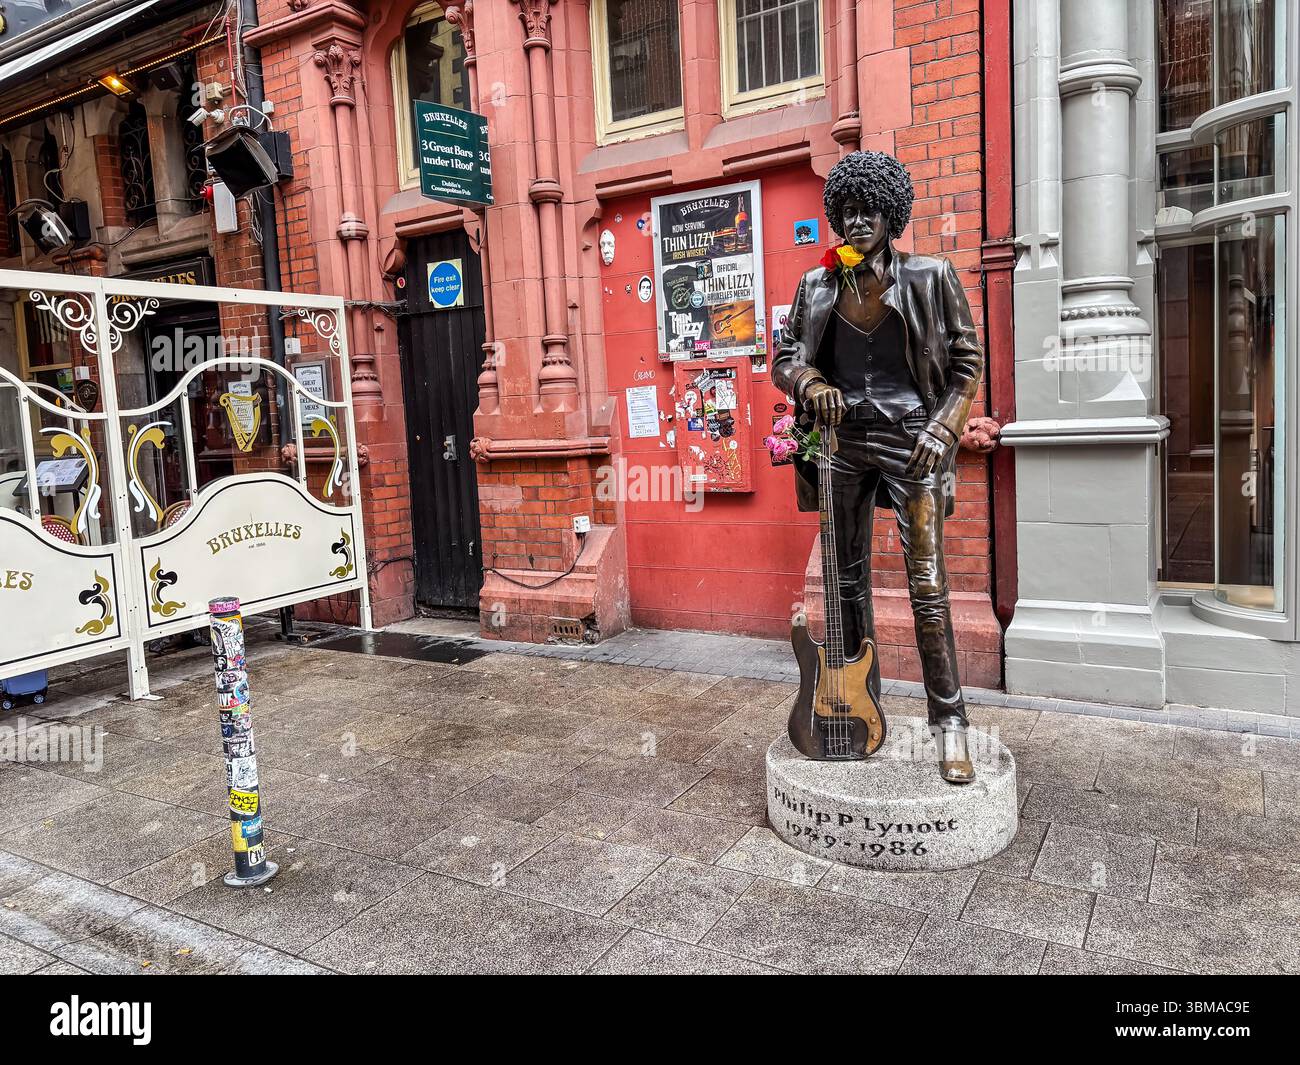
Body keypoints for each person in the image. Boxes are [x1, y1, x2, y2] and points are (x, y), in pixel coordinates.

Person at [772, 150, 983, 784]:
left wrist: (945, 428)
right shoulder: (817, 285)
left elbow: (967, 364)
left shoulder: (930, 276)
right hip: (842, 443)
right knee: (844, 581)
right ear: (836, 216)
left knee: (927, 585)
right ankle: (862, 704)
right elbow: (786, 357)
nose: (859, 220)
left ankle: (951, 722)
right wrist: (810, 385)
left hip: (911, 439)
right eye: (848, 211)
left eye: (871, 209)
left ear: (891, 213)